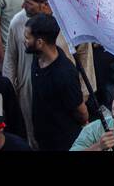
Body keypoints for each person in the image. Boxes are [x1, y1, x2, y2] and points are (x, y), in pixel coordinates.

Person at [24, 12, 89, 150]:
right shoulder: (37, 57)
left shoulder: (64, 74)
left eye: (27, 38)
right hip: (43, 137)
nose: (24, 41)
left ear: (40, 42)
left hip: (63, 142)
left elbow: (82, 113)